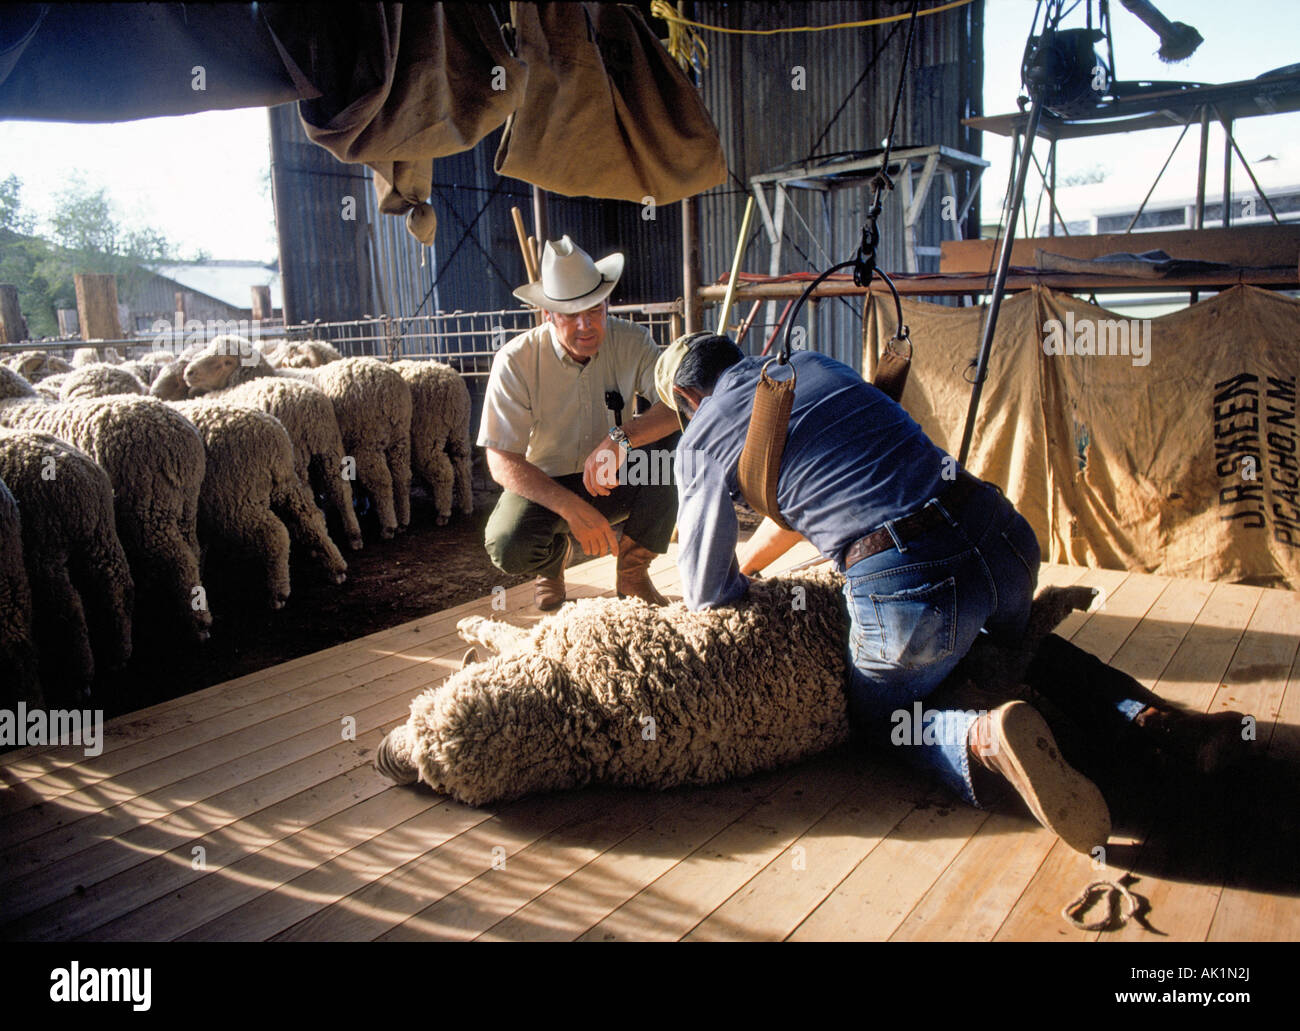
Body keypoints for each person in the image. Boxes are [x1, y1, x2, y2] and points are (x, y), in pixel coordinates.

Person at [656, 332, 1249, 853]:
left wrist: (744, 579)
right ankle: (1159, 723)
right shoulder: (810, 366)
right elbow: (818, 483)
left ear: (688, 401)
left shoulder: (701, 440)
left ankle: (984, 739)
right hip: (1005, 539)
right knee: (1019, 652)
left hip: (913, 587)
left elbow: (707, 593)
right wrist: (757, 560)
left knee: (887, 718)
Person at [478, 236, 682, 610]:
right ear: (548, 316)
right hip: (548, 484)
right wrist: (571, 509)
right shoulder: (515, 361)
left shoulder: (633, 340)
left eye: (595, 309)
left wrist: (621, 438)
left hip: (615, 475)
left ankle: (633, 573)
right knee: (507, 545)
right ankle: (553, 562)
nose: (586, 325)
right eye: (571, 314)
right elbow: (500, 459)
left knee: (677, 444)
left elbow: (678, 404)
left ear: (607, 304)